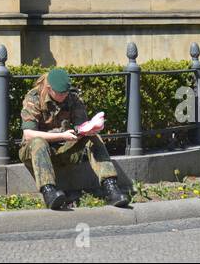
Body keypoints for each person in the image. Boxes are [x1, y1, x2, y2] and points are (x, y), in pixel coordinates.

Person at [20, 68, 130, 210]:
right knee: (38, 142)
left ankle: (111, 189)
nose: (64, 95)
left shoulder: (72, 98)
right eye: (60, 93)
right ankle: (49, 193)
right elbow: (28, 134)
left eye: (66, 92)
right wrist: (61, 136)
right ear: (49, 88)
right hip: (36, 152)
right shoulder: (33, 98)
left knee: (93, 138)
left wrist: (89, 129)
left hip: (64, 148)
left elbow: (81, 125)